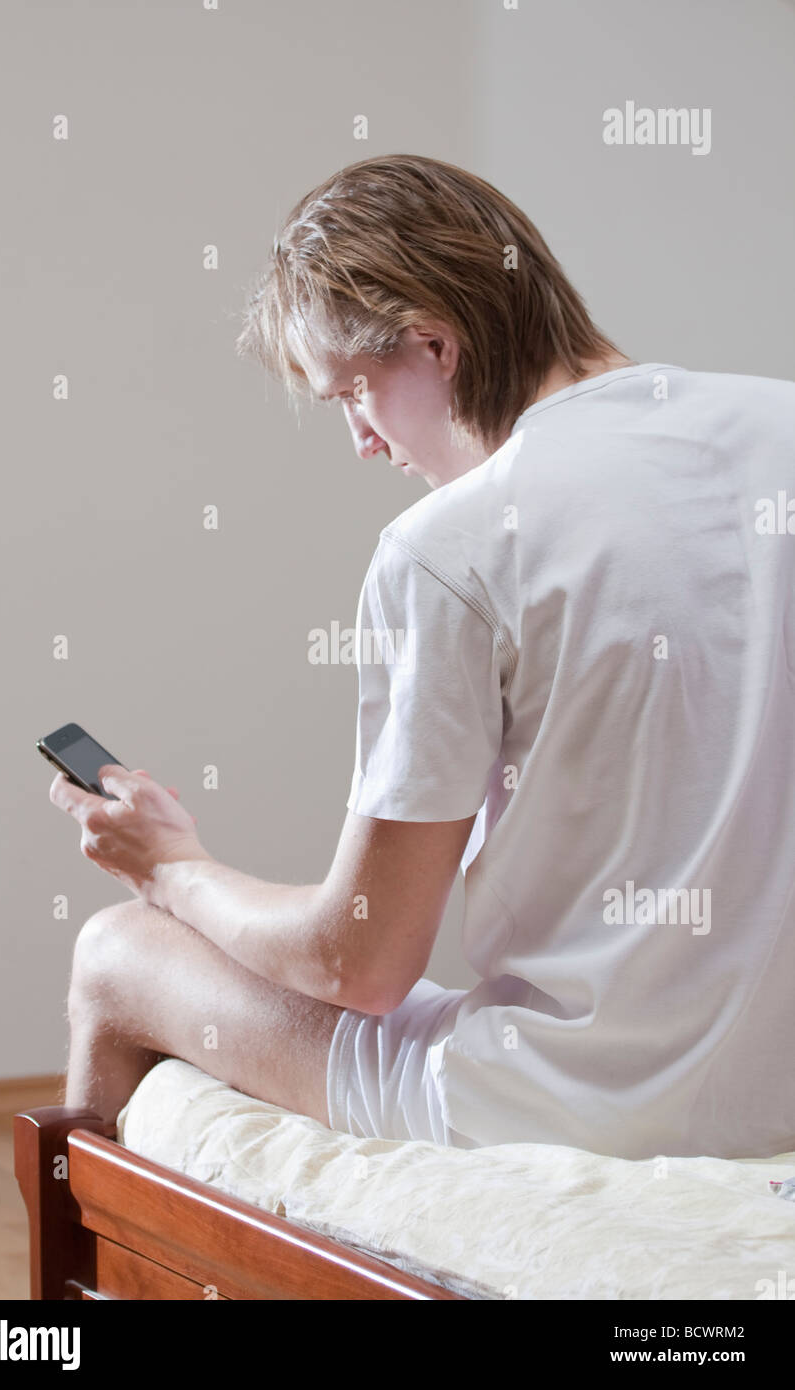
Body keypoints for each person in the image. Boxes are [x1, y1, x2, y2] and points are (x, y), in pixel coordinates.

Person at [56, 154, 795, 1160]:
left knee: (116, 952)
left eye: (349, 397)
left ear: (431, 344)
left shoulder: (449, 546)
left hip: (573, 1106)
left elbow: (358, 963)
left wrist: (173, 867)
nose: (362, 442)